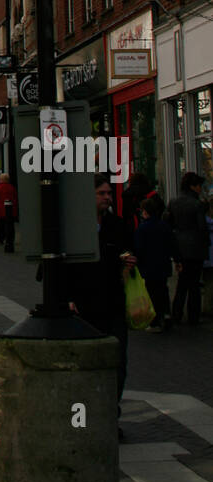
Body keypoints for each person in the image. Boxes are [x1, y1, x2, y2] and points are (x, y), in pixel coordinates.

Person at [65, 175, 136, 413]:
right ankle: (92, 414)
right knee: (88, 361)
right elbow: (62, 267)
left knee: (118, 362)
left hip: (113, 301)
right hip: (84, 306)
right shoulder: (75, 226)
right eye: (102, 194)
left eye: (108, 193)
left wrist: (130, 259)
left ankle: (109, 411)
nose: (107, 198)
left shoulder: (117, 225)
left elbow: (129, 248)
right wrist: (69, 298)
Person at [167, 171, 209, 327]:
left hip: (180, 246)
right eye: (199, 186)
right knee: (194, 284)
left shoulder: (174, 202)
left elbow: (169, 223)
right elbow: (202, 228)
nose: (200, 189)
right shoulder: (197, 204)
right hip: (195, 247)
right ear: (193, 186)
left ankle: (176, 313)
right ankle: (193, 316)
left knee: (182, 283)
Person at [135, 193, 175, 331]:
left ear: (145, 212)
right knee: (163, 289)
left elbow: (139, 248)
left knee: (152, 291)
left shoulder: (142, 228)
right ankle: (166, 313)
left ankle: (155, 320)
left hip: (149, 265)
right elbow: (171, 244)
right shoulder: (164, 226)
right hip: (163, 263)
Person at [0, 172, 19, 253]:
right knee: (10, 226)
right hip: (11, 211)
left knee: (1, 226)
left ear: (1, 179)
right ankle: (9, 240)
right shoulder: (12, 188)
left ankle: (2, 238)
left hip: (1, 212)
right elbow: (15, 199)